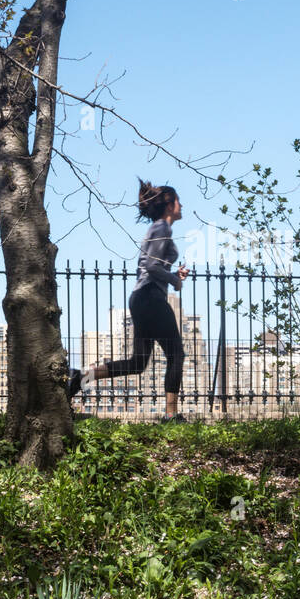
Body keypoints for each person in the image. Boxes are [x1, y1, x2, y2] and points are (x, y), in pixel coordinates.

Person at [68, 179, 190, 422]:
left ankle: (79, 378)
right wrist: (174, 281)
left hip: (143, 297)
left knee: (137, 363)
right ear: (169, 205)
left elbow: (152, 268)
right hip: (150, 298)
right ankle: (170, 415)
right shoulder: (161, 228)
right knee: (176, 354)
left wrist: (174, 276)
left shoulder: (160, 229)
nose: (182, 205)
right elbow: (152, 266)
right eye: (178, 201)